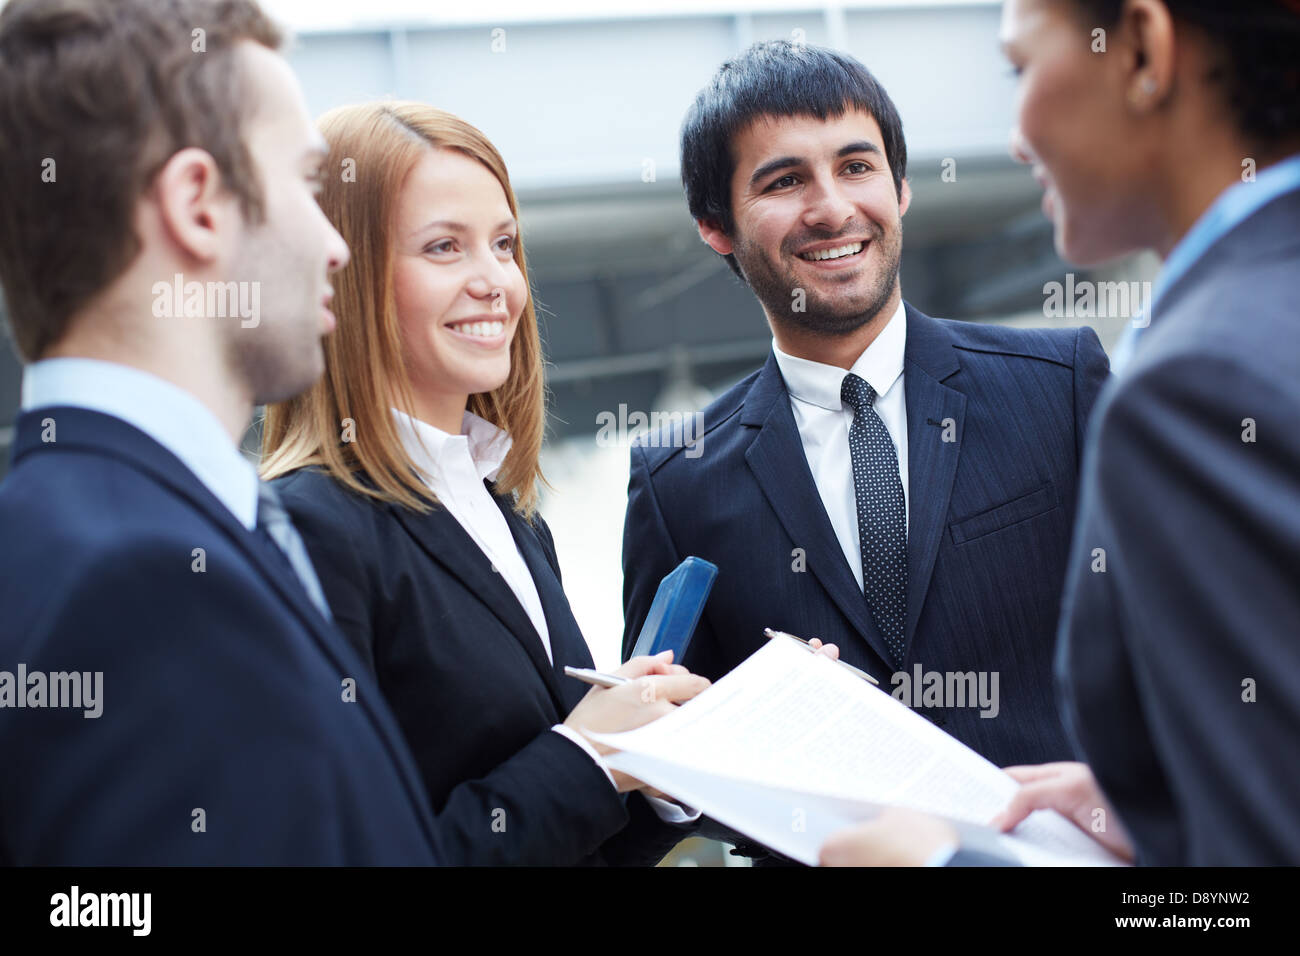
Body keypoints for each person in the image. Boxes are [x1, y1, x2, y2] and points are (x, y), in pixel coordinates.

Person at [821, 0, 1300, 867]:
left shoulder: (1199, 383)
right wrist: (1165, 801)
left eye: (1020, 69)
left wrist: (944, 867)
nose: (1014, 137)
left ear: (1146, 50)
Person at [619, 40, 1111, 862]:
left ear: (902, 187)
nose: (832, 208)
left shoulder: (1060, 386)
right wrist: (705, 749)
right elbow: (653, 766)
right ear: (715, 227)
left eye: (857, 166)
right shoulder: (676, 481)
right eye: (784, 181)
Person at [0, 0, 439, 864]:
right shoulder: (142, 586)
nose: (335, 246)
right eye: (309, 188)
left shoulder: (72, 539)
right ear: (198, 204)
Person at [260, 101, 709, 866]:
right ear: (345, 275)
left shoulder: (504, 507)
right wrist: (590, 752)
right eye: (444, 247)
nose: (495, 280)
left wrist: (656, 754)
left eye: (504, 244)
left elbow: (572, 833)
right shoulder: (306, 530)